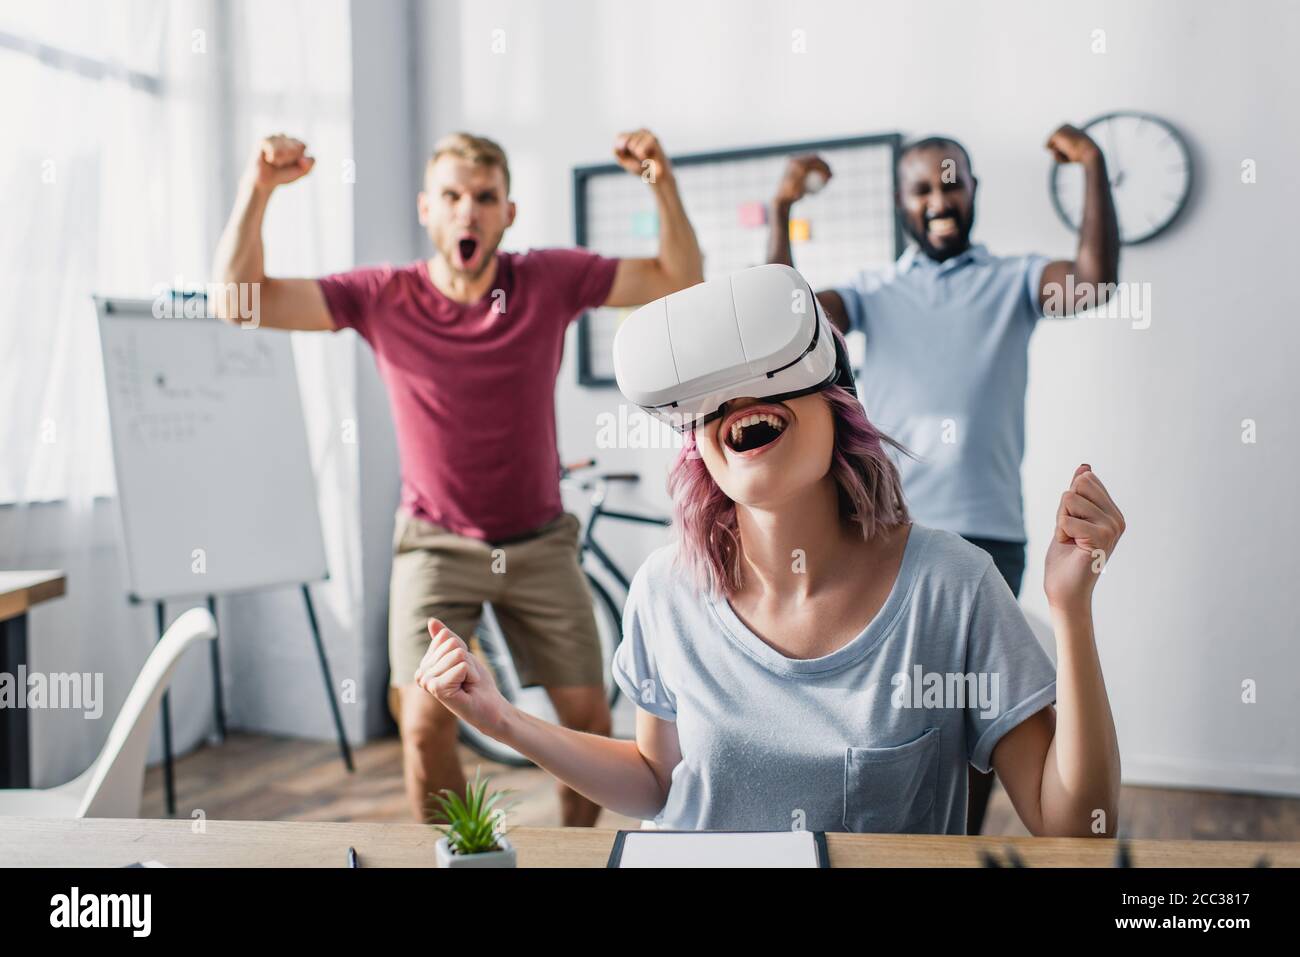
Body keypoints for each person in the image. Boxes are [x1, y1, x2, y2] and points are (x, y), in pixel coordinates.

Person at [413, 280, 1124, 837]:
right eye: (707, 399)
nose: (734, 402)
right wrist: (504, 718)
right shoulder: (665, 589)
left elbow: (1074, 826)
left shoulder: (953, 587)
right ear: (699, 448)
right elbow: (657, 782)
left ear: (837, 404)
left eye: (768, 375)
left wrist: (1073, 610)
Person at [212, 128, 703, 824]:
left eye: (484, 197)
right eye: (451, 196)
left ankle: (569, 856)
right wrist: (257, 189)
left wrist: (661, 181)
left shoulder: (548, 280)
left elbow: (677, 277)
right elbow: (238, 302)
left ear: (509, 212)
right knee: (420, 721)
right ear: (427, 210)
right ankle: (458, 856)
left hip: (539, 541)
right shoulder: (382, 295)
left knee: (589, 719)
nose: (467, 211)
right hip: (435, 543)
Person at [766, 126, 1120, 832]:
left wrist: (1093, 165)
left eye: (950, 183)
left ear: (972, 191)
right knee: (897, 707)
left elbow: (1094, 281)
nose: (939, 199)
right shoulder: (874, 290)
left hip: (990, 537)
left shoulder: (1015, 280)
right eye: (922, 188)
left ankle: (956, 840)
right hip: (885, 534)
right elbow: (785, 316)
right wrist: (780, 209)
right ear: (902, 203)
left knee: (977, 715)